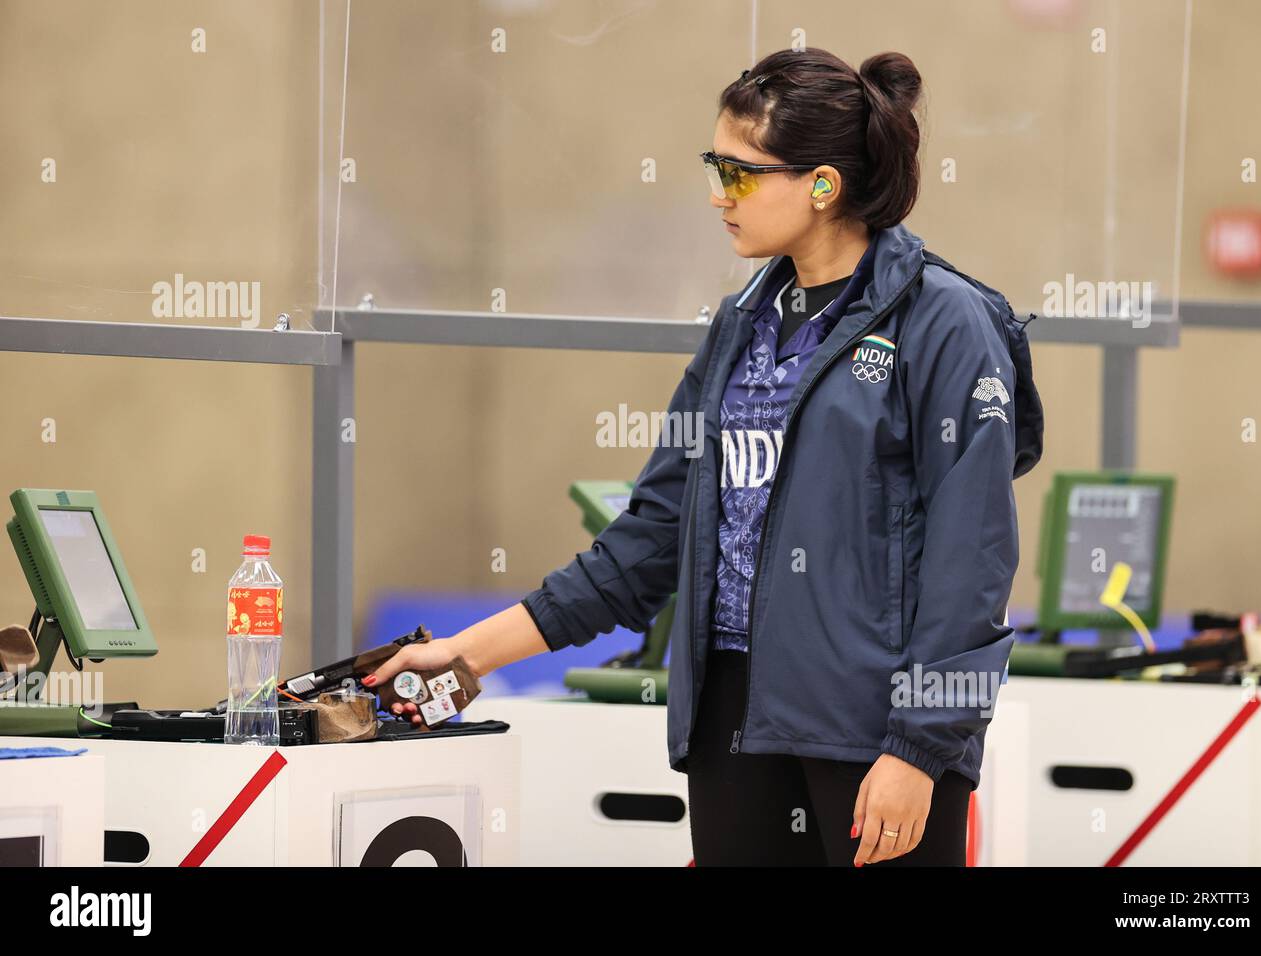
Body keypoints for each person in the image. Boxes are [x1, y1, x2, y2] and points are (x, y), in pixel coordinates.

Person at [364, 47, 1044, 867]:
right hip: (731, 722)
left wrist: (920, 749)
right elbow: (648, 541)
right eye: (714, 165)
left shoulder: (945, 323)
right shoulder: (740, 326)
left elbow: (971, 565)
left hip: (874, 734)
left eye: (742, 172)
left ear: (823, 186)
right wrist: (465, 655)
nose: (720, 194)